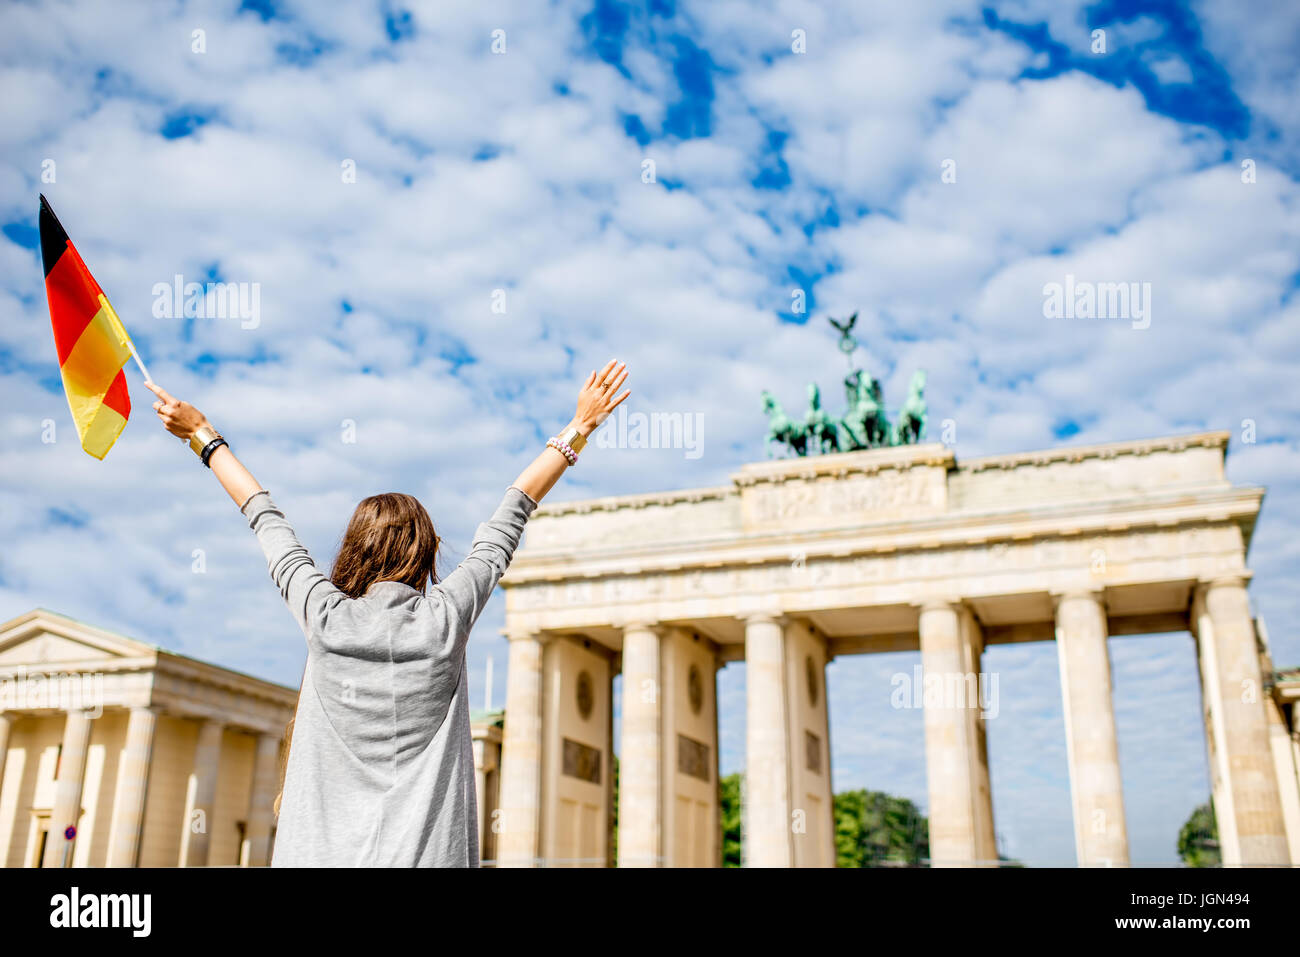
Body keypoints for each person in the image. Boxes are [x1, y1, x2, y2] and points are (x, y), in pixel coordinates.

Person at [146, 360, 630, 866]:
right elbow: (515, 509)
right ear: (426, 553)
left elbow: (263, 515)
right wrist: (580, 427)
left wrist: (203, 435)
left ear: (353, 549)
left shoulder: (323, 615)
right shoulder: (446, 618)